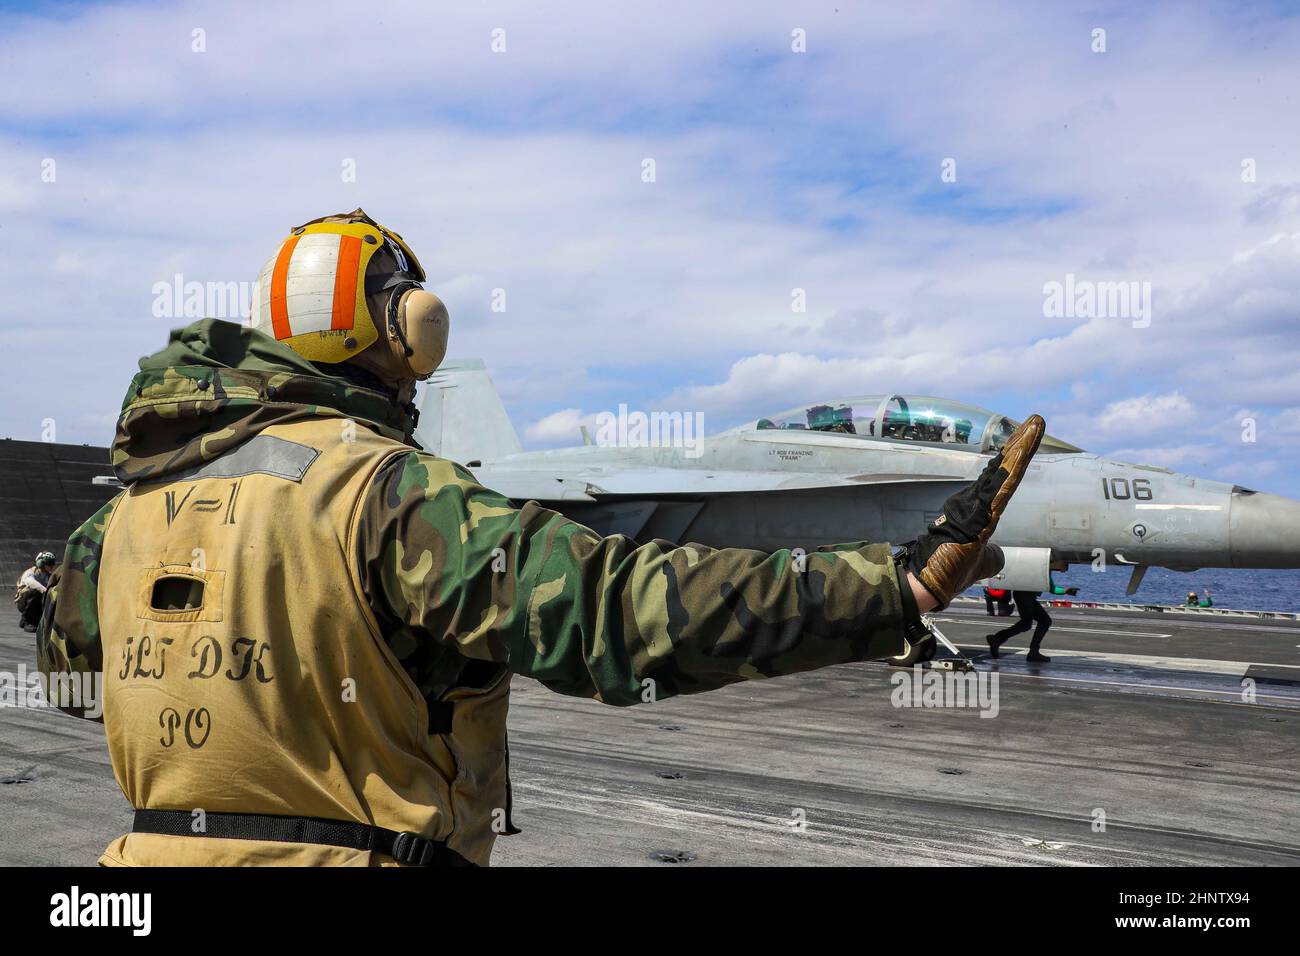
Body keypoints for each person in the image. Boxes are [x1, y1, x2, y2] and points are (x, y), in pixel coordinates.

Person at [36, 208, 1046, 867]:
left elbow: (70, 665)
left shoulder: (119, 519)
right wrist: (891, 590)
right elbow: (619, 614)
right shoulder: (392, 497)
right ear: (407, 332)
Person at [986, 573, 1076, 664]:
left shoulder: (1040, 566)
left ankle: (997, 639)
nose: (1064, 568)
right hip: (1025, 596)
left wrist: (1066, 591)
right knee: (1043, 621)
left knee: (1028, 623)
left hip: (1023, 594)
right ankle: (1032, 652)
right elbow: (1052, 589)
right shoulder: (1044, 568)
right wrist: (1066, 590)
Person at [14, 551, 57, 632]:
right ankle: (27, 621)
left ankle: (34, 620)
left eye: (52, 563)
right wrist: (45, 590)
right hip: (24, 602)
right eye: (49, 563)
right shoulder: (30, 573)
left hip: (39, 603)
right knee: (34, 591)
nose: (52, 566)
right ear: (42, 563)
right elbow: (31, 583)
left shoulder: (49, 575)